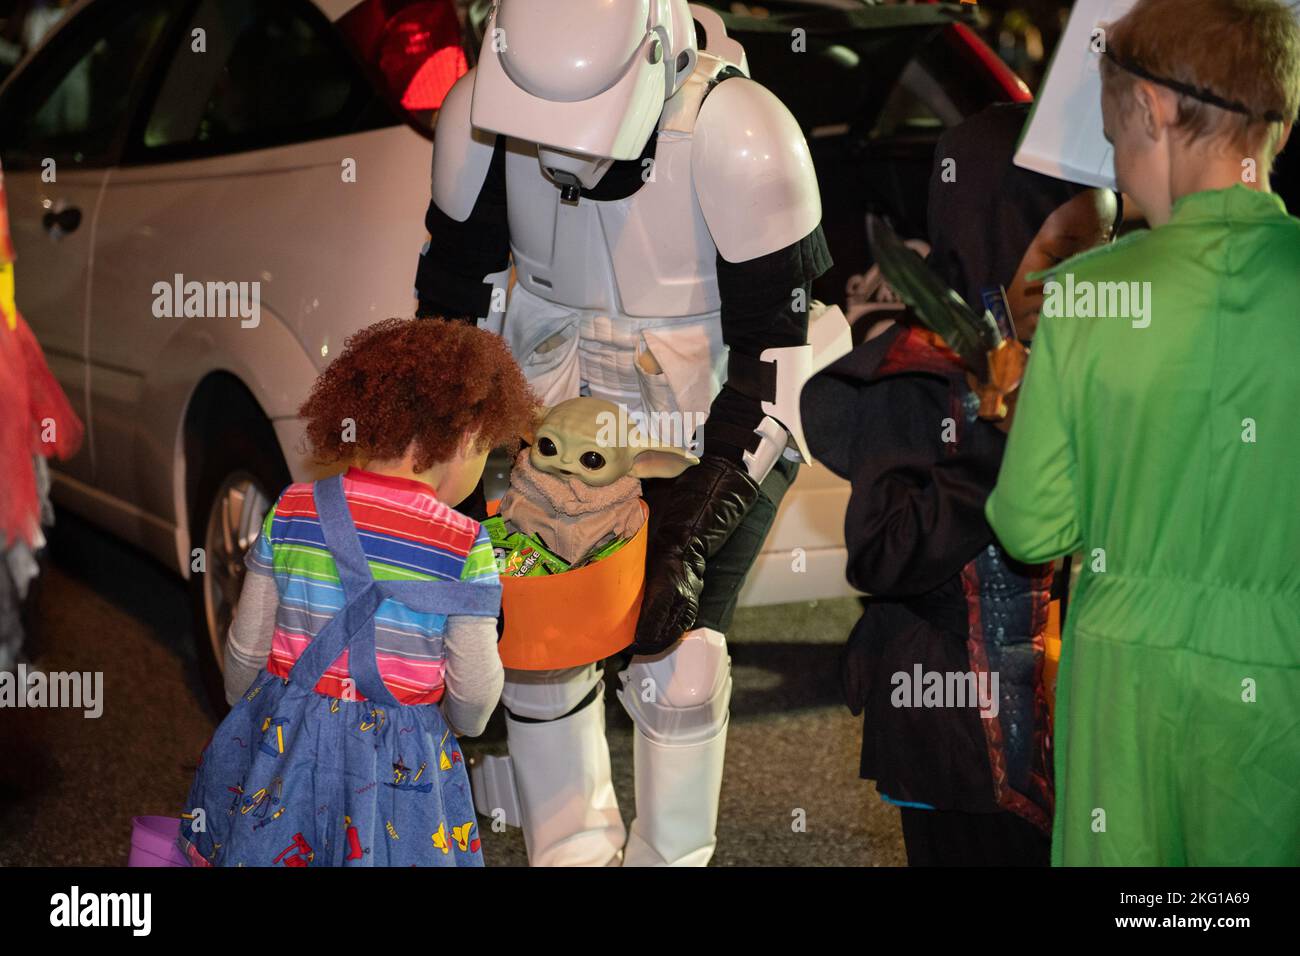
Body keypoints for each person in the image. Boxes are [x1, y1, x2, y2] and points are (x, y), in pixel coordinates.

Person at [415, 0, 838, 866]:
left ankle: (669, 858)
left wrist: (689, 530)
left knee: (677, 663)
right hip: (550, 409)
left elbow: (773, 364)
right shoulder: (481, 118)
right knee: (538, 644)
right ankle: (567, 847)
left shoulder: (743, 134)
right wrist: (426, 475)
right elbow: (448, 312)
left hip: (715, 412)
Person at [986, 0, 1300, 865]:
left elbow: (1028, 525)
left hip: (1126, 686)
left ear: (1152, 111)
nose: (1117, 166)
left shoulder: (1089, 296)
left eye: (1113, 134)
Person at [803, 103, 1118, 866]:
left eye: (1106, 249)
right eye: (1067, 251)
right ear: (993, 236)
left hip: (1059, 717)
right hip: (947, 735)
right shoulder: (918, 372)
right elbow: (882, 554)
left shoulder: (1069, 358)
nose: (1090, 277)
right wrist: (995, 441)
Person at [178, 318, 537, 867]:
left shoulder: (293, 509)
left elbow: (246, 649)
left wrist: (251, 713)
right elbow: (473, 695)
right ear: (467, 438)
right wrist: (463, 725)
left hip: (285, 748)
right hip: (398, 769)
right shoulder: (466, 548)